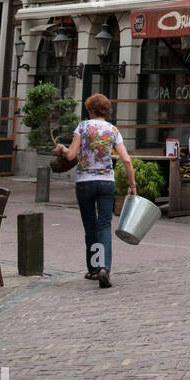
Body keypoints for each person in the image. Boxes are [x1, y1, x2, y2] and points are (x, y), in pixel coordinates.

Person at [55, 92, 136, 288]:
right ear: (106, 110)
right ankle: (104, 268)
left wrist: (62, 149)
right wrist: (132, 185)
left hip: (85, 182)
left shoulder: (82, 127)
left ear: (90, 110)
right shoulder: (113, 130)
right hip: (106, 182)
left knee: (90, 225)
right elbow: (126, 159)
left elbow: (71, 155)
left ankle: (93, 268)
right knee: (104, 225)